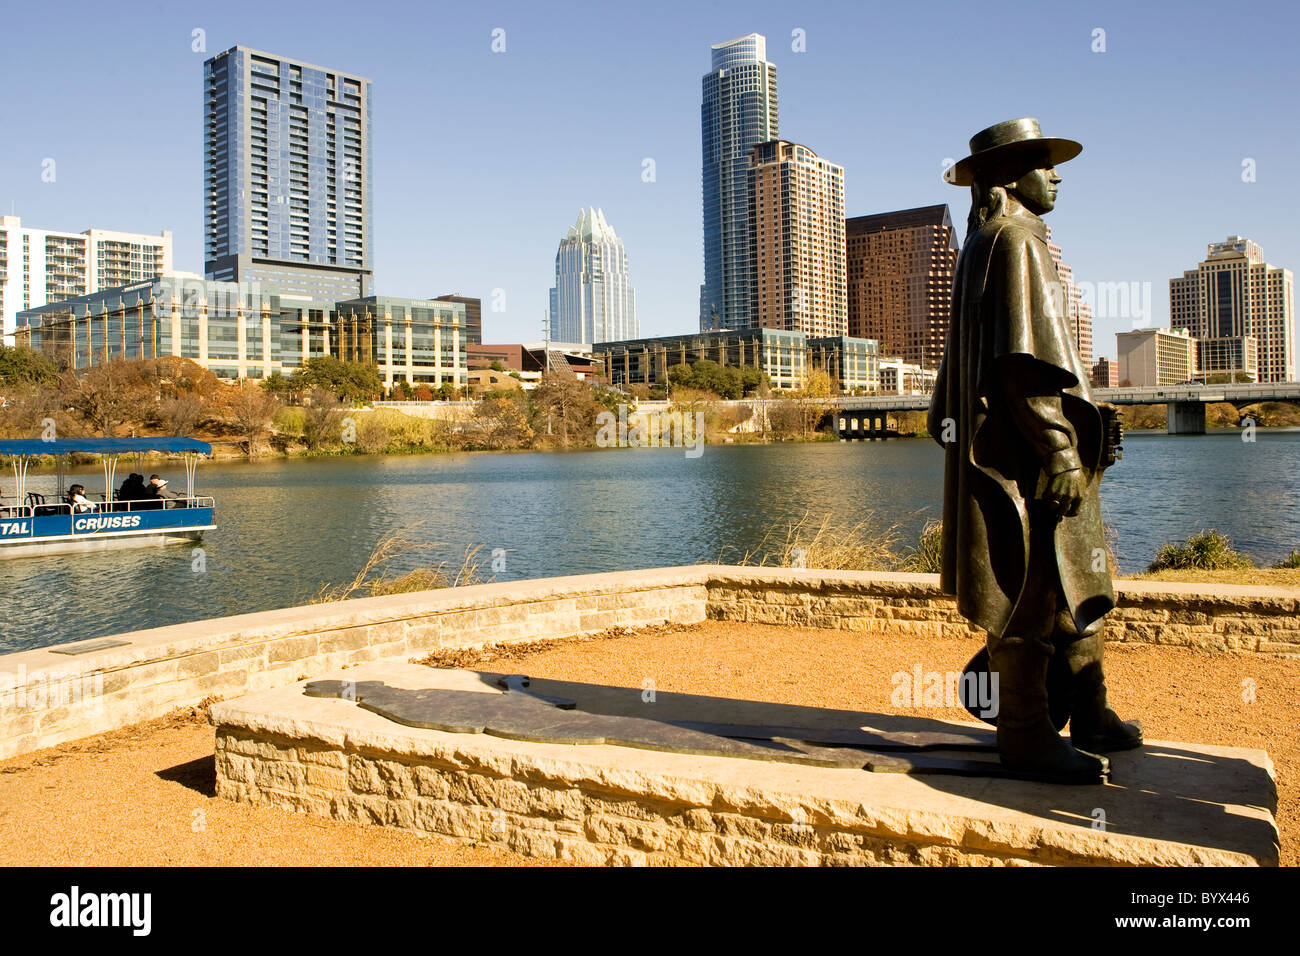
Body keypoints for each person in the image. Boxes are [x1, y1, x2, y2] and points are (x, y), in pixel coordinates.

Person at [930, 118, 1141, 784]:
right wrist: (1060, 451)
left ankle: (1090, 711)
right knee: (1032, 588)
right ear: (1010, 174)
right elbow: (1020, 367)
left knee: (1071, 576)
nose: (1056, 174)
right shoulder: (1018, 240)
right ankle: (1024, 730)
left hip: (1014, 446)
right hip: (1028, 455)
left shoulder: (981, 244)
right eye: (1043, 163)